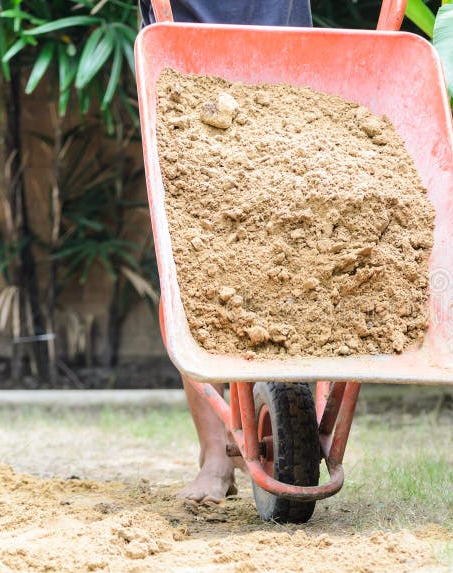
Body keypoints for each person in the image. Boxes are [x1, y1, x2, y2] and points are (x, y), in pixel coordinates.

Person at [139, 0, 313, 503]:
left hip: (285, 62)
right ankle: (216, 457)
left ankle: (288, 423)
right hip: (184, 62)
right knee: (194, 274)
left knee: (301, 252)